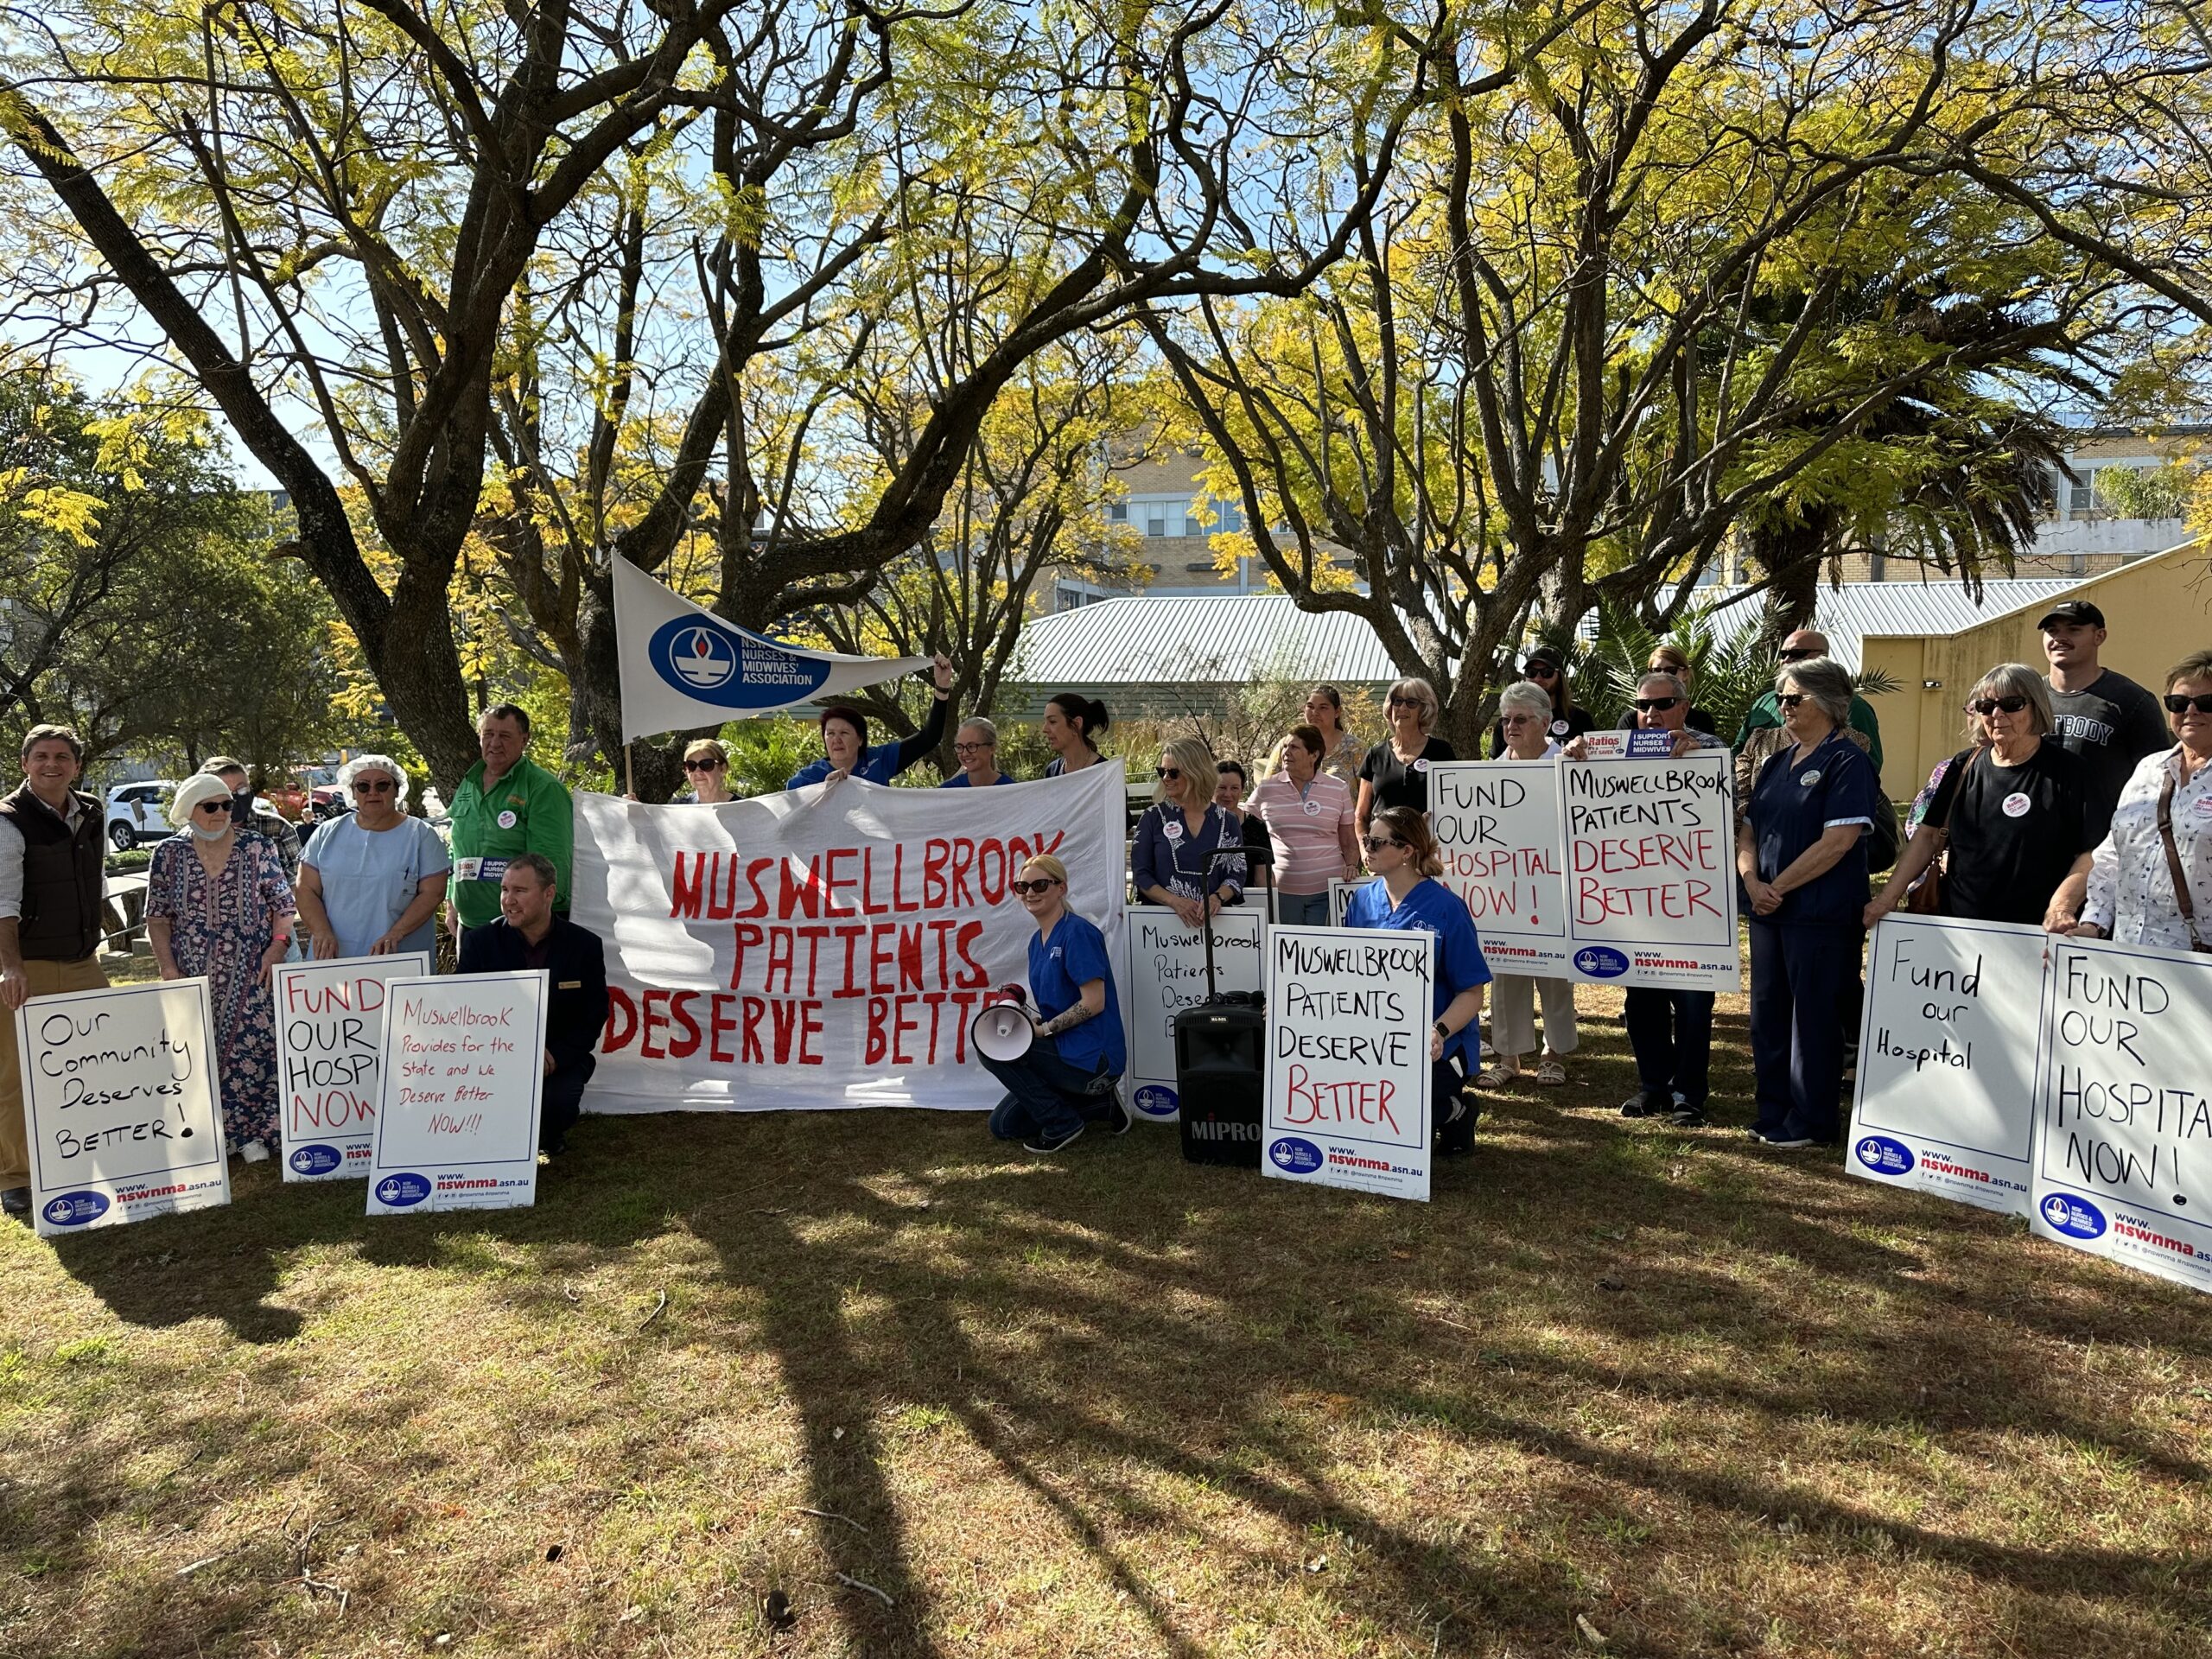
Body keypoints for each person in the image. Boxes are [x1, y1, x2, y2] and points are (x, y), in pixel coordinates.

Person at [1738, 658, 1879, 1148]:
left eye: (1793, 698)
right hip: (1768, 910)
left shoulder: (1847, 761)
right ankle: (1773, 1111)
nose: (1783, 707)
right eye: (1781, 698)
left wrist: (1781, 887)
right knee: (1768, 1012)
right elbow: (1749, 827)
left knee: (1813, 1018)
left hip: (1819, 913)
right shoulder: (1778, 760)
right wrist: (1752, 880)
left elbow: (1838, 841)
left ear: (1828, 702)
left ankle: (1811, 1120)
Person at [1575, 674, 1726, 1126]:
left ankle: (1690, 1094)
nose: (1652, 713)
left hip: (1694, 904)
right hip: (1637, 907)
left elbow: (1734, 799)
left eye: (1663, 703)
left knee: (1694, 1007)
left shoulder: (1708, 748)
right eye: (1643, 706)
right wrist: (1573, 761)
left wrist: (1701, 758)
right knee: (1641, 1003)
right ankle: (1654, 1086)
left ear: (1684, 705)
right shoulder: (1617, 752)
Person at [1866, 663, 2096, 931]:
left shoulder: (2071, 772)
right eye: (1986, 706)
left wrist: (2061, 907)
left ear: (2037, 706)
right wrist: (1887, 897)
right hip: (1961, 929)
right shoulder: (1964, 766)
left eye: (2012, 703)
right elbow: (1927, 837)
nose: (1997, 714)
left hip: (2036, 931)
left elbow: (2092, 852)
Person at [147, 773, 296, 1160]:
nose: (220, 813)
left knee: (258, 1050)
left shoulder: (257, 847)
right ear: (189, 809)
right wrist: (167, 968)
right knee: (197, 1053)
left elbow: (284, 907)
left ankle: (258, 1134)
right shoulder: (168, 853)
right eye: (210, 806)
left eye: (227, 805)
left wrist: (277, 948)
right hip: (192, 971)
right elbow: (158, 917)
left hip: (252, 970)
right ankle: (214, 1134)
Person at [0, 726, 110, 1221]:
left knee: (102, 1063)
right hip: (29, 963)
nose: (52, 765)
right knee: (16, 1075)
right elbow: (2, 902)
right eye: (41, 756)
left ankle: (98, 1155)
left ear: (77, 765)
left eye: (62, 757)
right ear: (24, 763)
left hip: (83, 960)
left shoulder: (91, 810)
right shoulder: (7, 820)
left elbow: (93, 877)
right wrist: (10, 967)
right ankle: (17, 1178)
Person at [1343, 806, 1492, 1154]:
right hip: (1375, 1038)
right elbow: (1345, 975)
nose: (1368, 849)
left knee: (1408, 1125)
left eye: (1377, 842)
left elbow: (1472, 992)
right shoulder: (1362, 901)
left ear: (1407, 850)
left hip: (1437, 1044)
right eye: (1366, 840)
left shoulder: (1447, 908)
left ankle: (1455, 1111)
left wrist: (1437, 1031)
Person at [456, 854, 609, 1157]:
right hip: (491, 1059)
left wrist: (555, 1055)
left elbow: (594, 1014)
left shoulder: (585, 945)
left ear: (549, 893)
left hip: (555, 1059)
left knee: (559, 1101)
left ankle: (548, 1135)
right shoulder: (479, 943)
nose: (508, 900)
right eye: (504, 890)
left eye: (519, 891)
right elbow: (462, 1012)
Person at [977, 853, 1128, 1154]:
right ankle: (1101, 1104)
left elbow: (1094, 1003)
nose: (1031, 893)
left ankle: (1063, 1123)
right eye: (1023, 887)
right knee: (1004, 1126)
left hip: (1094, 1059)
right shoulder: (1037, 941)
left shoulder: (1078, 933)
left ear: (1061, 888)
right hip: (1064, 1052)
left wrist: (1043, 1031)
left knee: (993, 1050)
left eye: (1040, 884)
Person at [2068, 650, 2212, 951]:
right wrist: (2093, 924)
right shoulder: (2149, 768)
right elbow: (2114, 855)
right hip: (2128, 957)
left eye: (2207, 703)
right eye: (2179, 702)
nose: (2191, 711)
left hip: (2198, 967)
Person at [1478, 682, 1578, 1087]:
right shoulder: (1488, 774)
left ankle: (1555, 1053)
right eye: (1505, 719)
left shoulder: (1570, 764)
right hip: (1506, 890)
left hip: (1557, 887)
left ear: (1546, 723)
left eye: (1520, 719)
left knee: (1555, 975)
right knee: (1505, 976)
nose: (1511, 727)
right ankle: (1508, 1056)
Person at [294, 754, 451, 959]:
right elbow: (305, 888)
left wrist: (397, 933)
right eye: (363, 786)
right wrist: (321, 931)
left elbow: (433, 893)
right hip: (333, 960)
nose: (373, 792)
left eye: (383, 785)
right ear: (352, 791)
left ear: (396, 790)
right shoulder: (327, 833)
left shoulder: (421, 835)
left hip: (398, 956)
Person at [449, 702, 575, 941]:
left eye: (505, 736)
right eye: (488, 734)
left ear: (524, 739)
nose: (495, 743)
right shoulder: (468, 783)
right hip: (469, 926)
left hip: (520, 928)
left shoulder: (542, 788)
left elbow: (552, 864)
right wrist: (451, 902)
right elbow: (456, 849)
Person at [2038, 600, 2171, 824]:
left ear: (2099, 636)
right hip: (2033, 840)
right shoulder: (2024, 699)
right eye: (2052, 631)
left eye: (2073, 630)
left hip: (2104, 846)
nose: (2059, 638)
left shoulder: (2132, 700)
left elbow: (2159, 781)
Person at [787, 654, 957, 789]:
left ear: (860, 739)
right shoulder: (807, 779)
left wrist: (942, 687)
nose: (836, 740)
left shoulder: (880, 760)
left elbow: (929, 738)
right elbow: (791, 816)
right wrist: (822, 791)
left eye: (844, 733)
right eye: (830, 733)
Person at [1249, 727, 1360, 926]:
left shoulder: (1338, 788)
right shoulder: (1266, 789)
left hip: (1328, 892)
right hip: (1281, 893)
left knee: (1322, 951)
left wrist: (1352, 865)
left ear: (1314, 754)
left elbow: (1349, 839)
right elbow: (1244, 826)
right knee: (1289, 954)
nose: (1285, 752)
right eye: (1284, 747)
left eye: (1294, 747)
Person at [1732, 629, 1885, 772]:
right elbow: (1739, 752)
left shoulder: (1852, 706)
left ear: (1822, 657)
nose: (1786, 660)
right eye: (1783, 654)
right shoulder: (1764, 702)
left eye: (1797, 653)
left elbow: (1868, 764)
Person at [1132, 735, 1246, 923]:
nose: (1166, 778)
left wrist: (1217, 898)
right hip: (1161, 927)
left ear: (1196, 772)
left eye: (1173, 772)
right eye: (1162, 771)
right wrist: (1174, 902)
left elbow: (1237, 872)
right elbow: (1141, 873)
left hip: (1217, 926)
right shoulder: (1152, 817)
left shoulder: (1228, 820)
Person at [1357, 677, 1456, 838]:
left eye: (1411, 703)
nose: (1402, 707)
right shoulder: (1375, 754)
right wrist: (1364, 848)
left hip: (1426, 850)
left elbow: (1454, 805)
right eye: (1397, 701)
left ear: (1424, 710)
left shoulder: (1441, 752)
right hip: (1382, 852)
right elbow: (1361, 816)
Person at [201, 755, 303, 881]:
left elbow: (300, 885)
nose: (235, 797)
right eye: (225, 791)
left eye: (242, 789)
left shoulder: (279, 829)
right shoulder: (192, 837)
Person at [1489, 647, 1594, 755]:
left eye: (1546, 672)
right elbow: (1496, 765)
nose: (1538, 678)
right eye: (1531, 672)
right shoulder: (1506, 722)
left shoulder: (1580, 719)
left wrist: (1579, 748)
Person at [1611, 645, 1718, 736]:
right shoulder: (1630, 720)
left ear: (1685, 674)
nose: (1663, 675)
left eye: (1671, 670)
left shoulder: (1701, 721)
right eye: (1656, 671)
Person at [1302, 684, 1363, 786]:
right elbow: (1270, 789)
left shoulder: (1356, 748)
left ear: (1337, 712)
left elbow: (1369, 794)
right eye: (1310, 707)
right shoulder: (1289, 745)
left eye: (1323, 708)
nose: (1315, 712)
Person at [1040, 691, 1110, 776]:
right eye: (1045, 722)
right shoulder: (1052, 771)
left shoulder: (1107, 773)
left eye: (1052, 721)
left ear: (1077, 724)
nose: (1044, 729)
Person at [940, 718, 1014, 787]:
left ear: (992, 748)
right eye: (960, 747)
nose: (965, 754)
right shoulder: (948, 791)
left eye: (971, 746)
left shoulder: (1011, 790)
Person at [678, 738, 736, 804]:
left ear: (722, 769)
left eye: (706, 764)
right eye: (691, 765)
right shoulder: (677, 808)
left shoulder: (744, 808)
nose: (697, 772)